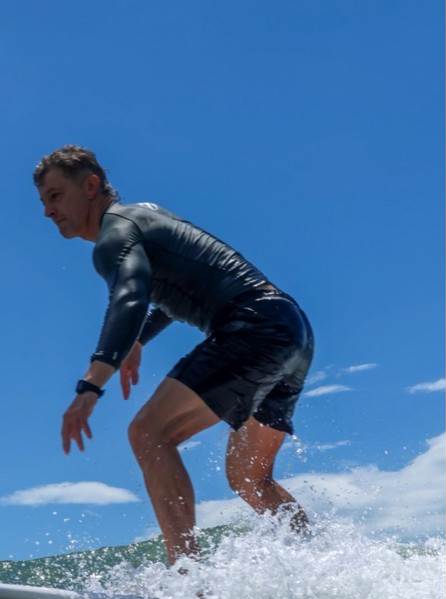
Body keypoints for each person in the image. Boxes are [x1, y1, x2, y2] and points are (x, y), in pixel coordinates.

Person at [35, 145, 315, 566]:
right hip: (292, 330)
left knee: (148, 433)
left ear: (90, 186)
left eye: (55, 196)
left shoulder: (113, 234)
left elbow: (129, 297)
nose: (47, 211)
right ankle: (322, 559)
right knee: (250, 479)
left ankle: (188, 578)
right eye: (43, 201)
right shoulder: (146, 215)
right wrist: (140, 341)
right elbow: (176, 291)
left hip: (254, 326)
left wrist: (90, 386)